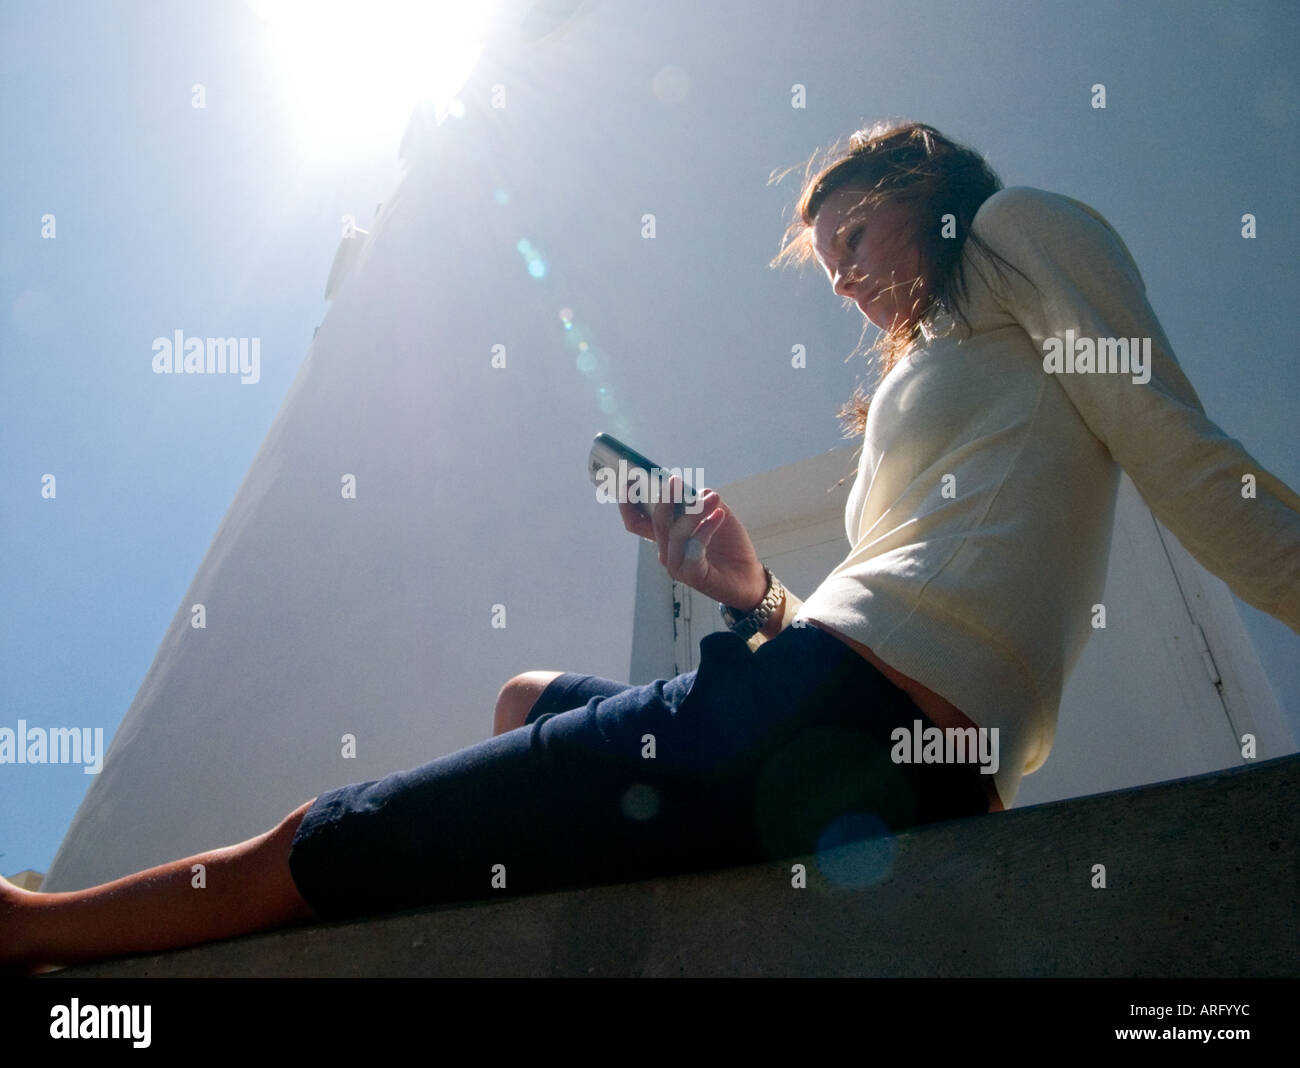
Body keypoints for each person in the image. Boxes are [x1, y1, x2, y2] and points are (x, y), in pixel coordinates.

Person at [4, 121, 1298, 975]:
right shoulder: (936, 370)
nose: (844, 281)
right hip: (856, 727)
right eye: (829, 268)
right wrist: (745, 584)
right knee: (521, 699)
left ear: (931, 189)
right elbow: (880, 603)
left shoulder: (1019, 230)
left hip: (855, 716)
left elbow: (1175, 444)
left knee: (341, 835)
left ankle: (43, 931)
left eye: (853, 237)